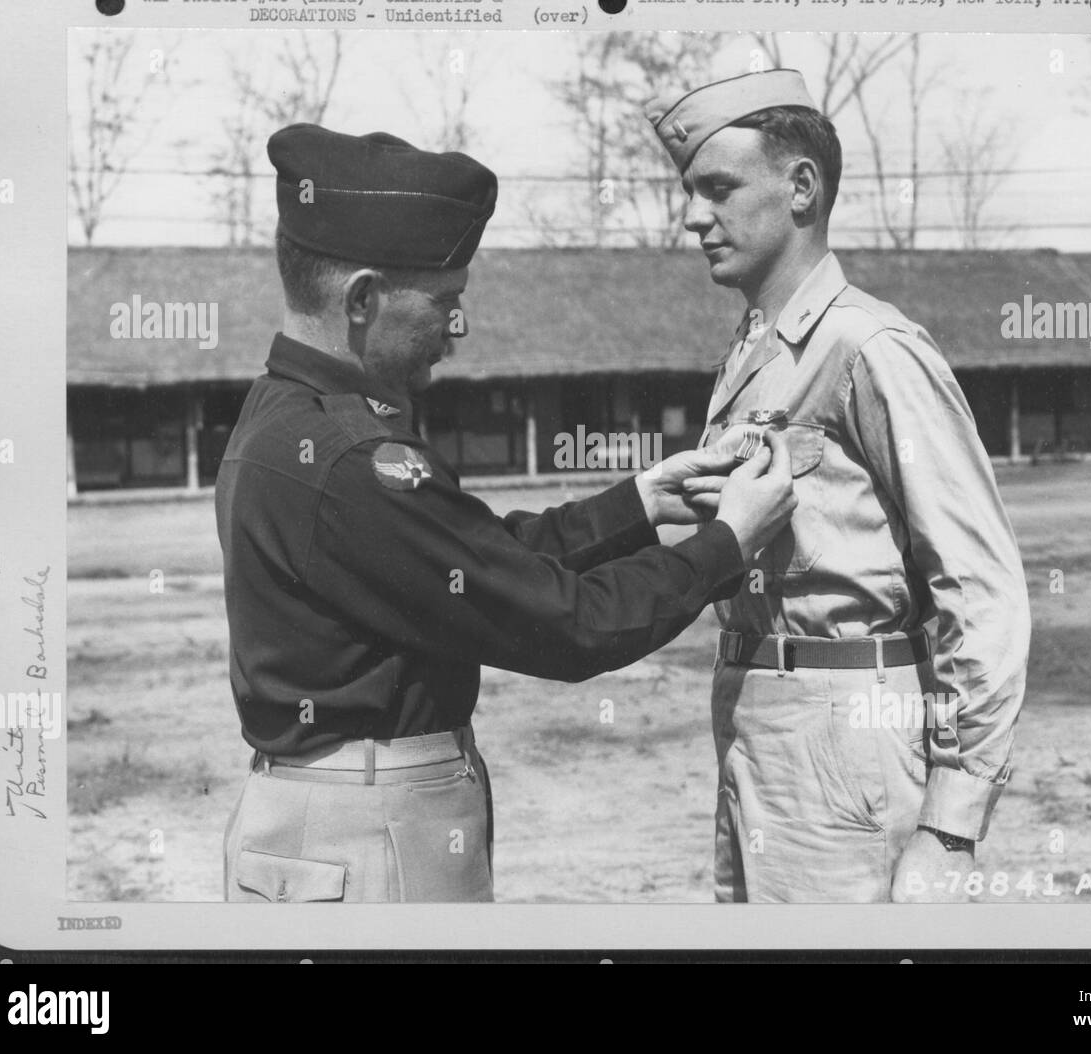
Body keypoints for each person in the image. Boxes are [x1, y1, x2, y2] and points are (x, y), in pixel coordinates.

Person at [216, 123, 796, 903]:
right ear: (362, 298)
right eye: (444, 304)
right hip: (369, 835)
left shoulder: (288, 415)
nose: (454, 334)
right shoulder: (355, 459)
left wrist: (639, 501)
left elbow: (475, 555)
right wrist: (728, 543)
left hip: (322, 827)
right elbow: (566, 623)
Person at [644, 70, 1030, 903]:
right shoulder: (757, 352)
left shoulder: (870, 348)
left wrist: (950, 823)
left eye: (717, 188)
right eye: (688, 192)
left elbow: (981, 584)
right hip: (755, 717)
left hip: (849, 722)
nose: (693, 216)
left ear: (802, 189)